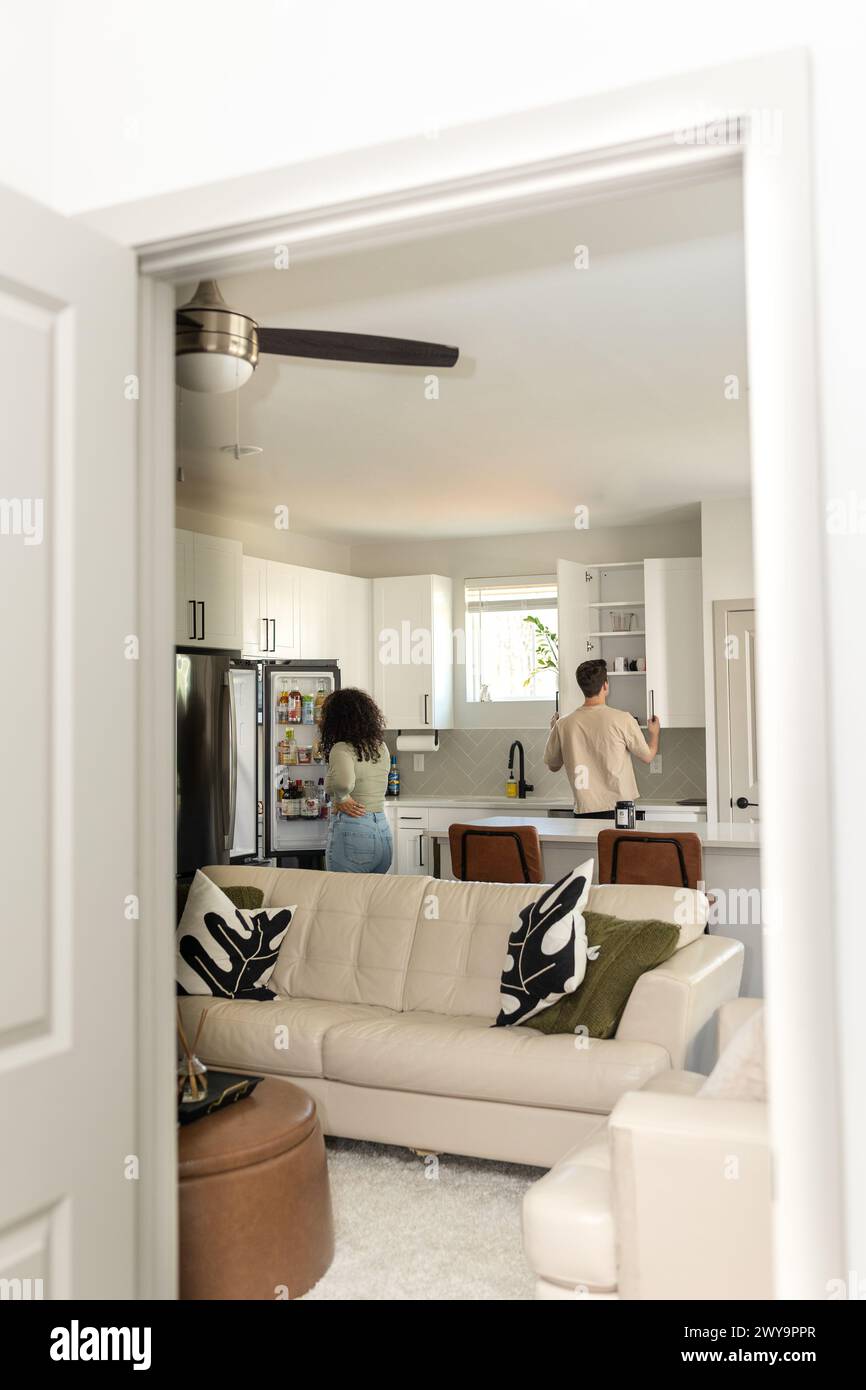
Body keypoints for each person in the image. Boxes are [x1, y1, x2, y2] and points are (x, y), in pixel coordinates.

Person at [544, 658, 660, 817]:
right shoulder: (623, 719)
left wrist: (554, 730)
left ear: (582, 687)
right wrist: (654, 733)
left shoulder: (563, 724)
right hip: (620, 809)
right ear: (605, 685)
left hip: (585, 809)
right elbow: (648, 757)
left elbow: (553, 766)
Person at [320, 687, 393, 873]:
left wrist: (342, 798)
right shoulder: (380, 747)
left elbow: (343, 783)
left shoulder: (342, 748)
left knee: (342, 895)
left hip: (354, 830)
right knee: (371, 898)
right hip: (382, 830)